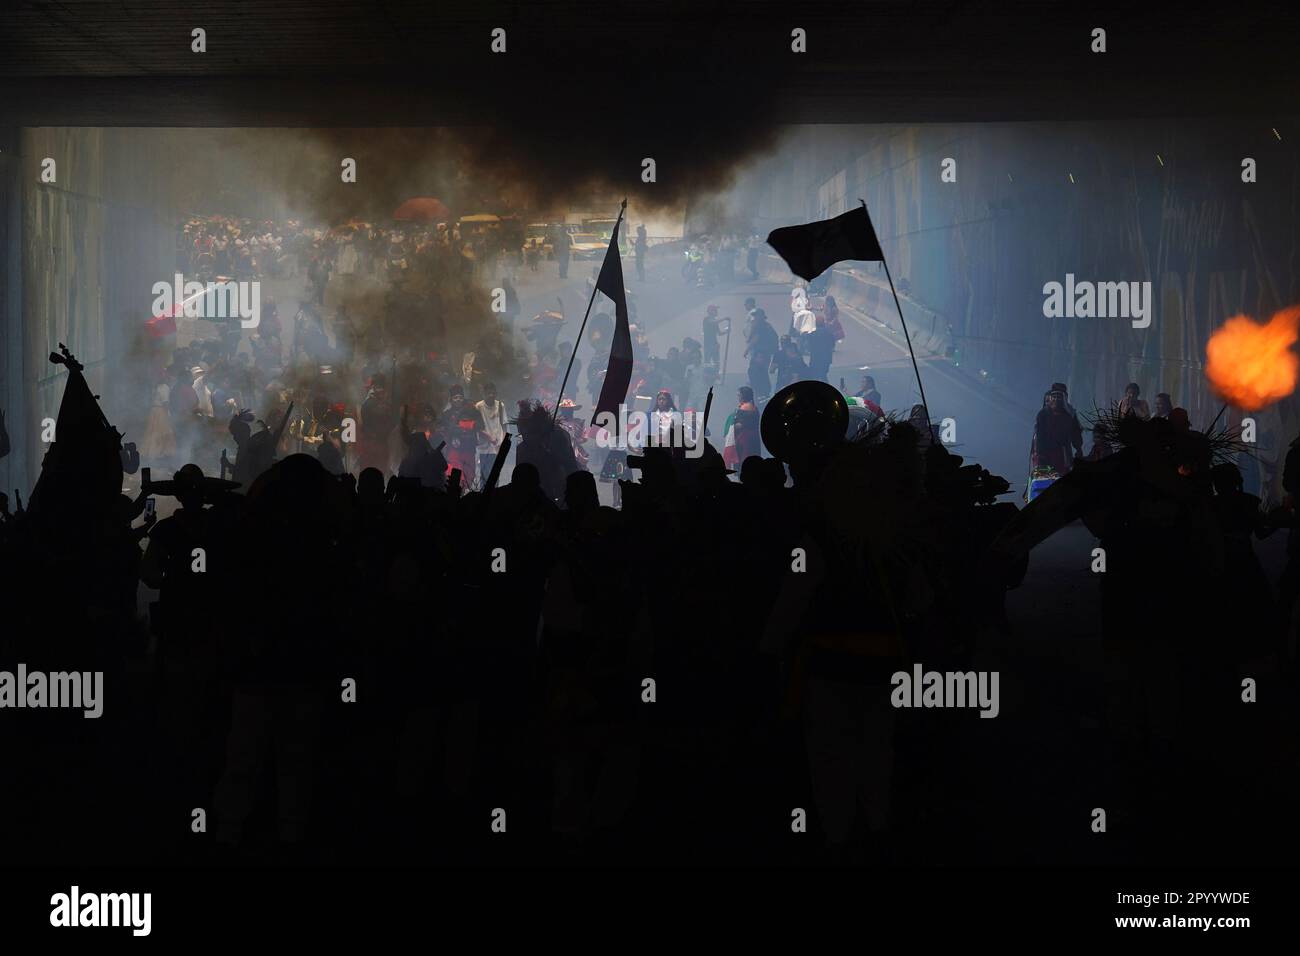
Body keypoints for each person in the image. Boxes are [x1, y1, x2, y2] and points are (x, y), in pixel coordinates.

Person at [1031, 389, 1080, 476]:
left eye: (1059, 397)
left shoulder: (1068, 416)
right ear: (1049, 399)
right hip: (1045, 459)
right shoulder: (1042, 415)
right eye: (1054, 396)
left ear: (1063, 399)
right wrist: (1041, 456)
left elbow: (1075, 435)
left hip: (1063, 458)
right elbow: (1040, 439)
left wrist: (1078, 449)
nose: (1056, 399)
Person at [475, 382, 508, 480]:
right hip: (484, 445)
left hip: (497, 445)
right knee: (484, 474)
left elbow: (504, 425)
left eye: (493, 393)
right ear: (484, 393)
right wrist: (488, 437)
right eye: (489, 393)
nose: (491, 395)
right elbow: (477, 427)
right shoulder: (479, 406)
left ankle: (494, 494)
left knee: (495, 474)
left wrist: (504, 443)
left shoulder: (500, 406)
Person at [744, 308, 778, 399]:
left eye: (756, 316)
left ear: (760, 317)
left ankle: (759, 391)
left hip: (761, 353)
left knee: (755, 370)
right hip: (766, 353)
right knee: (762, 371)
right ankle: (764, 391)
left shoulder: (760, 326)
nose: (754, 318)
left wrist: (747, 350)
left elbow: (755, 339)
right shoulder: (767, 325)